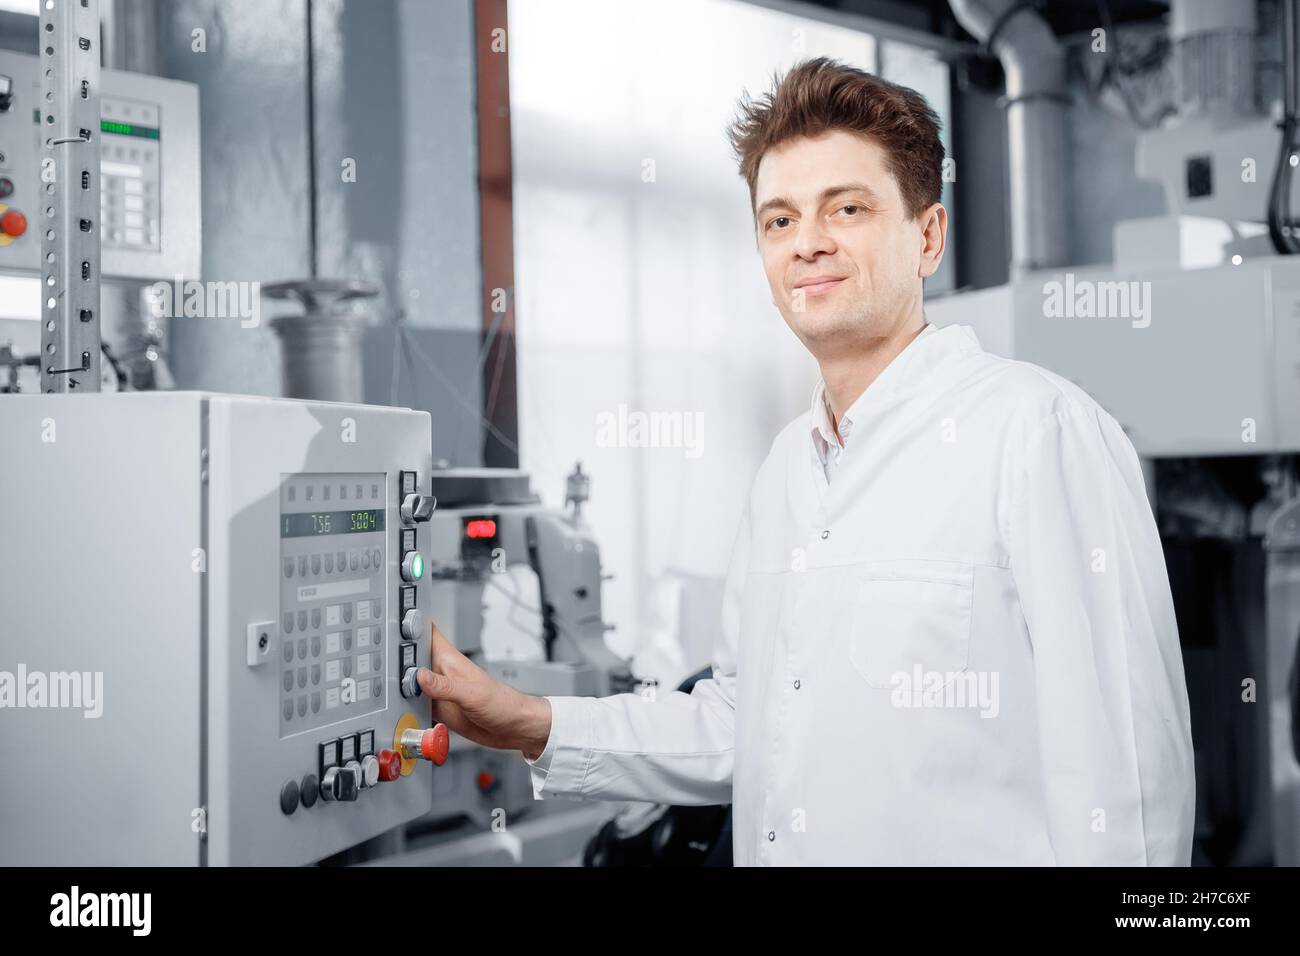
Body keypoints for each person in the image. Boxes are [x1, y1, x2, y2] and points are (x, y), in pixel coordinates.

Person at [415, 57, 1196, 865]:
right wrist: (528, 721)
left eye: (847, 208)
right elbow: (739, 725)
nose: (809, 245)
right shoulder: (790, 466)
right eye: (778, 221)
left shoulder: (1040, 433)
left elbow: (1129, 793)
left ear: (926, 237)